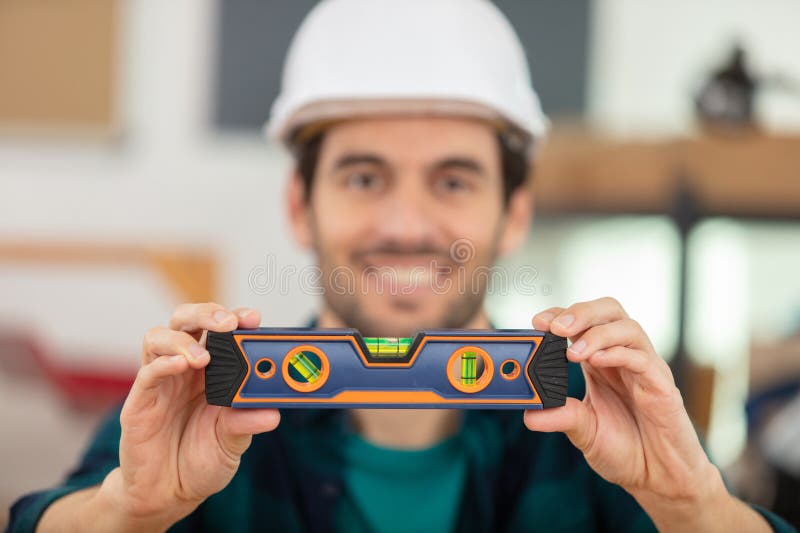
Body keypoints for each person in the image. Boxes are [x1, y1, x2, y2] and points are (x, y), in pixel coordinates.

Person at [7, 1, 795, 531]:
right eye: (363, 176)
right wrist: (125, 510)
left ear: (514, 211)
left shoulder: (601, 428)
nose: (408, 225)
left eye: (453, 179)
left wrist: (695, 508)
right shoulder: (198, 406)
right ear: (298, 202)